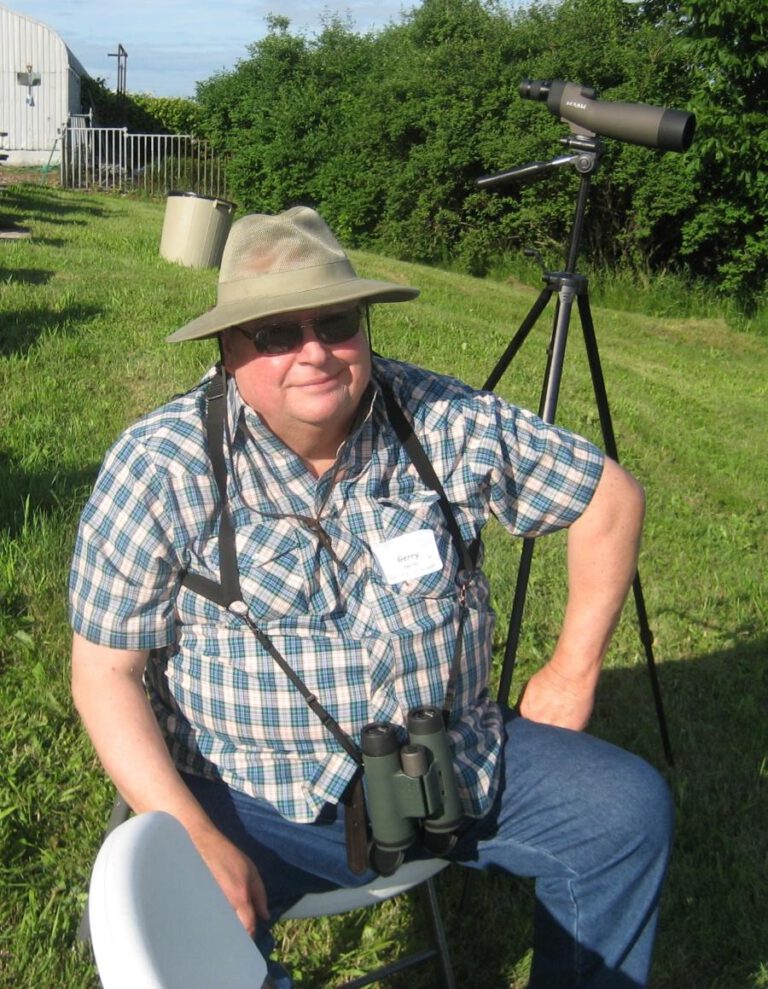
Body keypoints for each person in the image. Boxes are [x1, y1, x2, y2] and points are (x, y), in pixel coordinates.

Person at [70, 206, 672, 988]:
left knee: (625, 813)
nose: (314, 351)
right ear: (227, 348)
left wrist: (572, 671)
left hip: (450, 764)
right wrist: (188, 827)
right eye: (276, 333)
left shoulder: (441, 419)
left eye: (337, 321)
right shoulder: (161, 465)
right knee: (179, 945)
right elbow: (105, 673)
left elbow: (610, 498)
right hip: (251, 796)